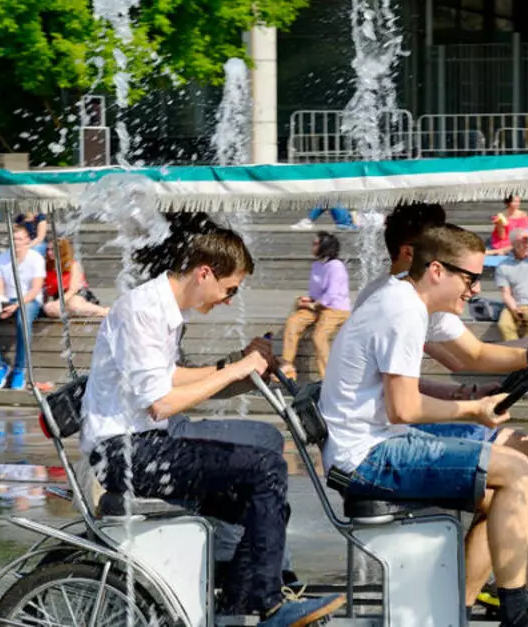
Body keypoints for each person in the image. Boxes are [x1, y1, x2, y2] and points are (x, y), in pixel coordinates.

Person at [321, 224, 528, 627]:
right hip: (366, 457)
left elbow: (475, 354)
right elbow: (404, 408)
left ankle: (468, 607)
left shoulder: (409, 301)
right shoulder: (402, 312)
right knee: (515, 471)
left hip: (379, 439)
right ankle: (519, 611)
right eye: (470, 278)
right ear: (436, 270)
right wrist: (474, 408)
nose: (475, 290)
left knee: (525, 458)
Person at [80, 224, 344, 626]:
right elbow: (161, 403)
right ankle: (270, 605)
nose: (228, 300)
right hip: (122, 454)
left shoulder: (161, 309)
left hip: (143, 444)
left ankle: (233, 611)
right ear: (204, 272)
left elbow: (171, 379)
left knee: (254, 504)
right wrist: (235, 369)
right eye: (230, 289)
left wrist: (237, 370)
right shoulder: (144, 310)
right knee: (266, 468)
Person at [0, 218, 46, 391]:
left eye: (21, 239)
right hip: (8, 299)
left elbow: (36, 288)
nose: (17, 243)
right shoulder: (1, 259)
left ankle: (19, 369)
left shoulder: (36, 258)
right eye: (14, 239)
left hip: (29, 299)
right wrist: (0, 303)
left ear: (28, 240)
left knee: (23, 322)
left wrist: (17, 306)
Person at [279, 231, 350, 379]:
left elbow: (332, 294)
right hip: (317, 306)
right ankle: (287, 366)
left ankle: (328, 378)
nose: (312, 246)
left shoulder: (336, 266)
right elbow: (316, 292)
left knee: (319, 336)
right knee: (293, 322)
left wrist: (314, 305)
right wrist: (308, 300)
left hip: (335, 308)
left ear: (325, 246)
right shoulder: (316, 265)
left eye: (316, 244)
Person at [41, 238, 108, 319]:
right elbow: (46, 290)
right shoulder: (47, 266)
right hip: (59, 297)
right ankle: (76, 312)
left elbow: (73, 289)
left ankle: (105, 311)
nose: (49, 252)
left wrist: (59, 302)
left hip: (78, 294)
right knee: (48, 308)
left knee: (73, 304)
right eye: (48, 249)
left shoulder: (73, 265)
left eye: (53, 249)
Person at [291, 204, 357, 231]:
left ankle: (307, 221)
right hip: (350, 221)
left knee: (328, 199)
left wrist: (355, 225)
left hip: (350, 224)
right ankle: (307, 221)